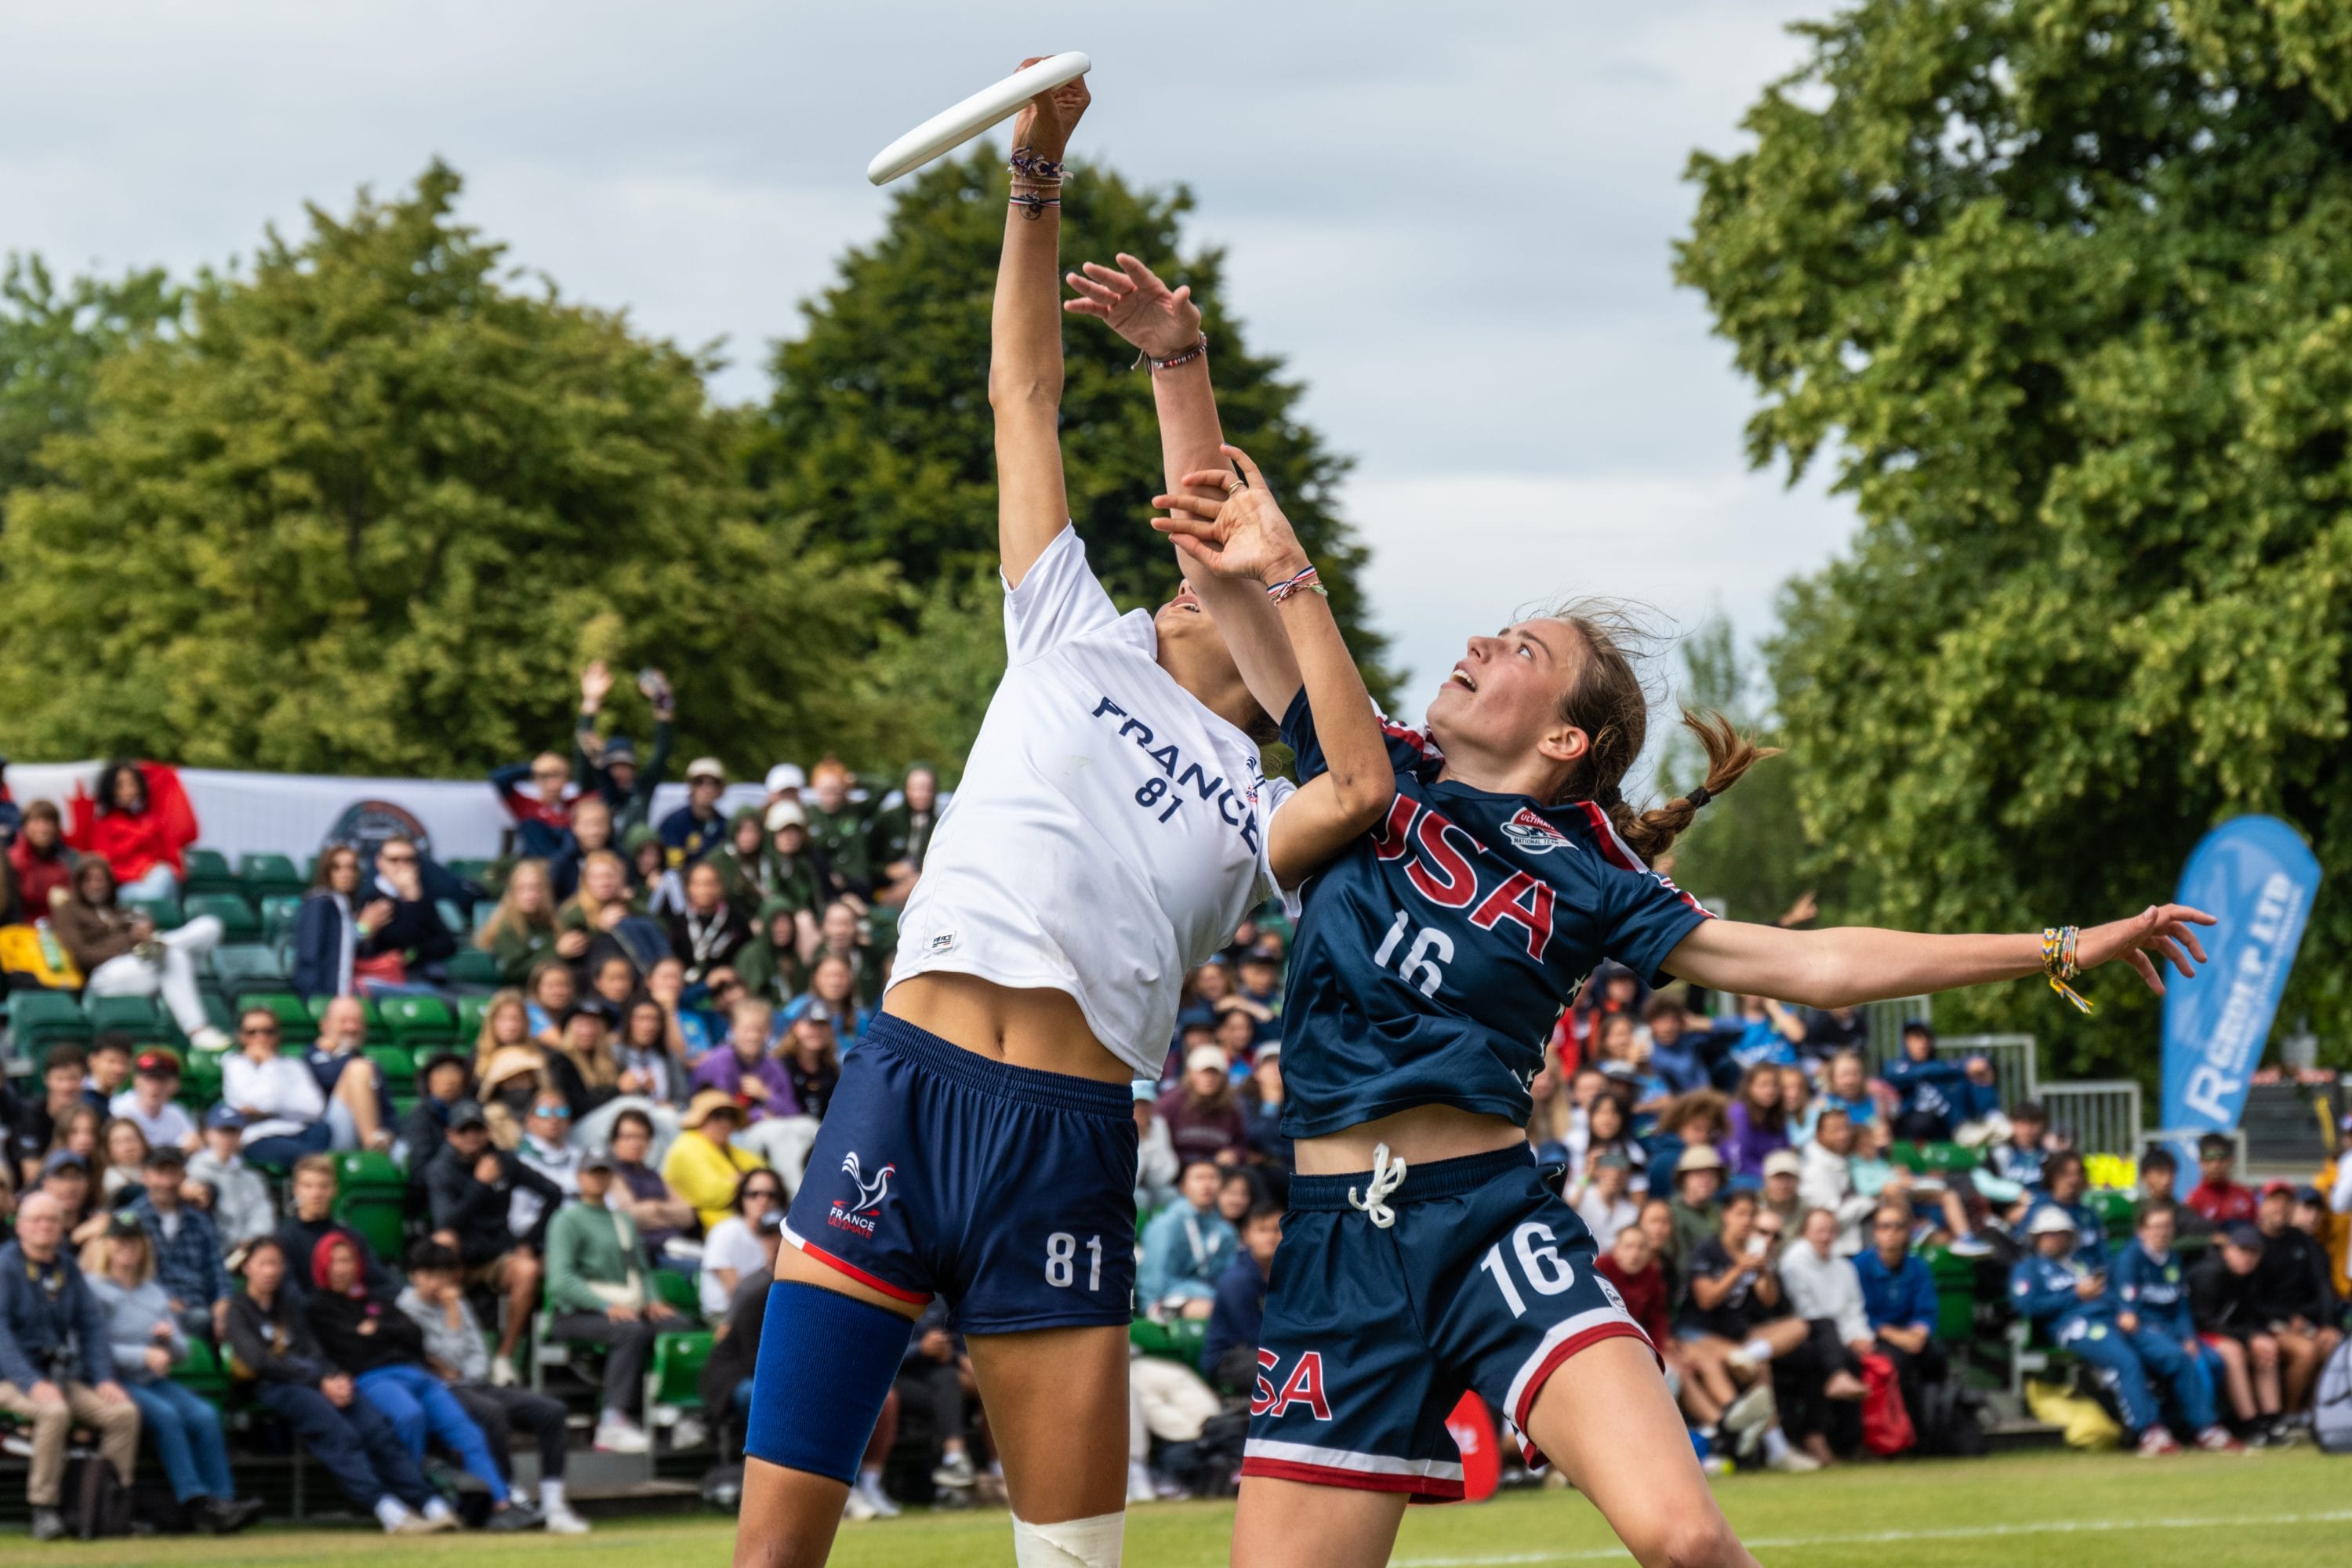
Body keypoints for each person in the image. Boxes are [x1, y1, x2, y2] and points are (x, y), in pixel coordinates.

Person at [1083, 274, 2229, 1568]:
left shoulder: (1597, 877)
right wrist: (1178, 364)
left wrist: (2063, 943)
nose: (1478, 640)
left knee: (1688, 1540)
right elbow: (1223, 556)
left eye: (1517, 646)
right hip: (1339, 1243)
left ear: (1565, 737)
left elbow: (1822, 965)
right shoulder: (1373, 765)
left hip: (1490, 1223)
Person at [733, 73, 1408, 1568]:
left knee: (1072, 1564)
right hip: (899, 1095)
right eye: (1183, 558)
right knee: (772, 1552)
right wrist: (1034, 188)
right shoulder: (1068, 629)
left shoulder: (1271, 800)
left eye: (1223, 574)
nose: (1191, 566)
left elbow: (1353, 764)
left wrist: (1217, 448)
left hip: (1061, 1142)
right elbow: (1022, 393)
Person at [304, 1232, 530, 1529]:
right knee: (409, 1416)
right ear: (321, 1265)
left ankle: (501, 1504)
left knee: (466, 1431)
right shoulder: (316, 1308)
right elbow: (352, 1348)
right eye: (333, 1262)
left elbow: (413, 1335)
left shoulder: (375, 1299)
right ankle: (415, 1501)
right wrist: (384, 1332)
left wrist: (376, 1330)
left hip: (414, 1372)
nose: (340, 1268)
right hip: (372, 1378)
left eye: (346, 1260)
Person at [227, 1238, 452, 1534]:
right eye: (263, 1264)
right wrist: (320, 1381)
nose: (270, 1271)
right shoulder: (238, 1309)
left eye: (276, 1263)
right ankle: (388, 1510)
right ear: (247, 1268)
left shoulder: (290, 1307)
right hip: (276, 1387)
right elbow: (260, 1363)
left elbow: (315, 1351)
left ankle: (430, 1503)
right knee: (340, 1433)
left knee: (376, 1429)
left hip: (317, 1381)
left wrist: (336, 1376)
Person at [84, 1218, 262, 1533]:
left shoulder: (153, 1292)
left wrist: (168, 1343)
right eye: (121, 1241)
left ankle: (223, 1500)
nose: (128, 1247)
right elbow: (92, 1347)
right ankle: (194, 1501)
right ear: (108, 1246)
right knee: (167, 1416)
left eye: (134, 1241)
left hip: (154, 1379)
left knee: (204, 1414)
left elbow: (182, 1349)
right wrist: (144, 1354)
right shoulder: (94, 1290)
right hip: (114, 1379)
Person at [2008, 1207, 2230, 1454]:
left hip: (2112, 1319)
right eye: (2049, 1234)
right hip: (2076, 1326)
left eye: (2061, 1233)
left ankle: (2205, 1428)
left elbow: (2112, 1292)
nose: (2055, 1238)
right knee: (2126, 1361)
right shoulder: (2029, 1269)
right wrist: (2074, 1296)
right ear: (2037, 1237)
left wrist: (2124, 1309)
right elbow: (2026, 1305)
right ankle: (2148, 1432)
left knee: (2176, 1355)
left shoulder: (2081, 1264)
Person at [397, 1240, 585, 1533]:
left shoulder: (457, 1303)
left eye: (443, 1274)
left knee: (552, 1411)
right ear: (413, 1276)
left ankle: (554, 1504)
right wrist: (452, 1316)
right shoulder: (406, 1310)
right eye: (428, 1274)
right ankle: (507, 1497)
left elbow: (477, 1355)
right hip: (439, 1393)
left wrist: (460, 1370)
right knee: (490, 1412)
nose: (437, 1282)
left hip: (471, 1383)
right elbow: (450, 1354)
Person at [0, 1192, 143, 1541]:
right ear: (20, 1227)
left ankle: (106, 1505)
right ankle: (44, 1508)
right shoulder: (5, 1267)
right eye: (36, 1220)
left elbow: (92, 1326)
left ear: (63, 1226)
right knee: (54, 1413)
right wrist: (31, 1382)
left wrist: (104, 1378)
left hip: (58, 1375)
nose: (45, 1227)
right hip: (10, 1378)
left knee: (123, 1414)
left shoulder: (68, 1268)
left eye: (52, 1220)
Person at [545, 1152, 678, 1453]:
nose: (598, 1178)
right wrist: (604, 1306)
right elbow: (561, 1280)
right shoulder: (566, 1220)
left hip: (626, 1306)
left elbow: (640, 1269)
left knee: (677, 1324)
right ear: (579, 1177)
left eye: (604, 1172)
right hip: (575, 1313)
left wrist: (653, 1300)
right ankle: (612, 1420)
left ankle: (675, 1415)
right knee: (630, 1331)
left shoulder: (622, 1219)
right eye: (592, 1172)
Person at [423, 1101, 556, 1385]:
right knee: (444, 1240)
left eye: (478, 1130)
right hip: (460, 1259)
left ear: (487, 1132)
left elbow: (553, 1193)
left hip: (496, 1254)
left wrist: (529, 1241)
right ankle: (450, 1356)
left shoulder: (504, 1161)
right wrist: (481, 1185)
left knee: (528, 1270)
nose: (472, 1137)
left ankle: (504, 1358)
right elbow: (447, 1223)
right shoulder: (441, 1169)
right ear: (451, 1135)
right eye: (464, 1131)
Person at [51, 858, 229, 1050]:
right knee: (171, 954)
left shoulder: (119, 910)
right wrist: (127, 944)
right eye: (90, 880)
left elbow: (142, 920)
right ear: (79, 883)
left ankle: (198, 1031)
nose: (96, 885)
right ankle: (198, 1030)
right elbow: (79, 954)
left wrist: (145, 930)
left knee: (208, 927)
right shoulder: (68, 911)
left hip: (141, 964)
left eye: (101, 880)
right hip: (104, 976)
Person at [2113, 1199, 2232, 1437]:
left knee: (2214, 1362)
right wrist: (2127, 1312)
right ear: (2141, 1231)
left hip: (2171, 1329)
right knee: (2177, 1358)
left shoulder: (2173, 1260)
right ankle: (2205, 1428)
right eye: (2156, 1227)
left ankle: (2178, 1421)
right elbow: (2128, 1312)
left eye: (2167, 1226)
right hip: (2144, 1330)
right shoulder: (2130, 1258)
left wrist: (2188, 1336)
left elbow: (2181, 1306)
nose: (2162, 1232)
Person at [1852, 1201, 1945, 1441]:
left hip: (1911, 1335)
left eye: (1897, 1226)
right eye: (1884, 1226)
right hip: (1876, 1336)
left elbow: (1926, 1310)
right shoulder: (1859, 1267)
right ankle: (1909, 1435)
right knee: (1897, 1362)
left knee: (1936, 1355)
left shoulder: (1918, 1267)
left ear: (1907, 1232)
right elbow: (1859, 1313)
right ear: (1875, 1233)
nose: (1891, 1232)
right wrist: (1896, 1336)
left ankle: (1938, 1423)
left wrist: (1919, 1333)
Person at [2250, 1180, 2342, 1419]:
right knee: (2306, 1352)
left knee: (2332, 1345)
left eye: (2286, 1201)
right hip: (2266, 1322)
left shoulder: (2303, 1241)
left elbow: (2323, 1286)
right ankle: (2290, 1414)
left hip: (2302, 1320)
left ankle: (2314, 1412)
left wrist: (2327, 1324)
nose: (2280, 1207)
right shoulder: (2251, 1242)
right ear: (2262, 1206)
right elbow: (2250, 1299)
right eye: (2274, 1201)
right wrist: (2287, 1318)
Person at [128, 1144, 230, 1342]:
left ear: (183, 1177)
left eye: (173, 1173)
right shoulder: (132, 1221)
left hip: (200, 1310)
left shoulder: (200, 1221)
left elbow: (218, 1273)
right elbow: (129, 1277)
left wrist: (222, 1306)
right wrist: (164, 1301)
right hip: (150, 1312)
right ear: (145, 1176)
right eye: (160, 1173)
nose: (166, 1182)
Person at [2189, 1221, 2282, 1436]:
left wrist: (2257, 1336)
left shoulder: (2252, 1277)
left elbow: (2250, 1317)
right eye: (2242, 1250)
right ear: (2227, 1251)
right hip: (2195, 1331)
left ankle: (2272, 1419)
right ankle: (2249, 1423)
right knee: (2234, 1352)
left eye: (2253, 1252)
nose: (2247, 1257)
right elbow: (2205, 1321)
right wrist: (2249, 1337)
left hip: (2226, 1331)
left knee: (2267, 1347)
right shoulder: (2209, 1273)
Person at [66, 761, 197, 902]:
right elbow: (104, 868)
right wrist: (140, 873)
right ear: (111, 789)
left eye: (133, 784)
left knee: (164, 876)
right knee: (150, 891)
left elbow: (173, 862)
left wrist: (162, 870)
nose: (128, 790)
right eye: (120, 785)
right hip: (124, 888)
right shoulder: (102, 826)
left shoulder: (154, 822)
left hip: (159, 882)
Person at [223, 1005, 335, 1166]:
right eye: (252, 1032)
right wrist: (269, 1063)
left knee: (323, 1129)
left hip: (301, 1131)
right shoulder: (235, 1065)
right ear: (241, 1036)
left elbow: (315, 1108)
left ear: (277, 1035)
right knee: (313, 1159)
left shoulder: (293, 1065)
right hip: (260, 1136)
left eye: (268, 1031)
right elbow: (263, 1103)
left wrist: (269, 1112)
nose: (261, 1038)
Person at [575, 660, 674, 837]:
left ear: (634, 769)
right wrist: (591, 701)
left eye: (625, 766)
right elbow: (584, 747)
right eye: (613, 766)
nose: (619, 772)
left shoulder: (642, 790)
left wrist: (663, 700)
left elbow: (662, 751)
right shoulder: (593, 787)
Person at [1138, 1160, 1240, 1319]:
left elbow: (1228, 1276)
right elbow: (1156, 1282)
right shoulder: (1166, 1225)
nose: (1206, 1184)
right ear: (1183, 1187)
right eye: (1199, 1178)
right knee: (1219, 1310)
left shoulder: (1225, 1230)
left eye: (1213, 1178)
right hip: (1164, 1301)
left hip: (1211, 1297)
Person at [1201, 1202, 1283, 1394]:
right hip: (1228, 1358)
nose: (1270, 1237)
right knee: (1284, 1369)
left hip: (1267, 1351)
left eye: (1276, 1230)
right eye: (1262, 1230)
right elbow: (1252, 1336)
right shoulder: (1236, 1280)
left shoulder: (1287, 1274)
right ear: (1247, 1235)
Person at [292, 844, 393, 1000]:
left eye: (352, 868)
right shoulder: (320, 903)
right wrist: (363, 929)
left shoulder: (347, 905)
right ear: (327, 872)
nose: (346, 874)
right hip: (325, 991)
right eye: (337, 868)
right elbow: (311, 954)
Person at [663, 1091, 765, 1234]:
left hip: (748, 1224)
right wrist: (745, 1182)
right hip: (710, 1231)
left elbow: (765, 1177)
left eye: (730, 1116)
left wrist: (739, 1181)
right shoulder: (685, 1146)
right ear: (700, 1118)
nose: (726, 1122)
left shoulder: (731, 1149)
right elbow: (712, 1193)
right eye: (717, 1115)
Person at [306, 995, 395, 1152]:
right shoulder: (311, 1056)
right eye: (344, 1021)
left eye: (357, 1022)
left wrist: (392, 1134)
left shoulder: (368, 1062)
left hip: (379, 1133)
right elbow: (327, 1078)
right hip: (327, 1135)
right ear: (325, 1025)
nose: (351, 1028)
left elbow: (386, 1109)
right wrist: (345, 1054)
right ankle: (372, 1142)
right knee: (358, 1069)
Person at [608, 1109, 696, 1261]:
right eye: (628, 1137)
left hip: (677, 1244)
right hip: (647, 1252)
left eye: (641, 1137)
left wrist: (656, 1208)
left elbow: (688, 1215)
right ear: (615, 1141)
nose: (635, 1144)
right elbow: (628, 1216)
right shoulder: (611, 1174)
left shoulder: (655, 1176)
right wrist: (667, 1211)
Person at [702, 1167, 791, 1318]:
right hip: (726, 1315)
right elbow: (737, 1294)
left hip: (766, 1310)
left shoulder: (783, 1234)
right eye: (753, 1194)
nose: (763, 1201)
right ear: (741, 1197)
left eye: (771, 1195)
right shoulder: (725, 1232)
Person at [187, 1105, 275, 1250]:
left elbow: (262, 1214)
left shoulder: (251, 1178)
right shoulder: (193, 1172)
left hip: (247, 1251)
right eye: (221, 1132)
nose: (227, 1138)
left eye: (232, 1132)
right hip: (210, 1250)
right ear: (208, 1133)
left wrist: (250, 1240)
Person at [1799, 1107, 1877, 1255]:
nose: (1843, 1135)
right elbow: (1831, 1220)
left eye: (1846, 1128)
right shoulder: (1815, 1170)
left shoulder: (1847, 1158)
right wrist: (1870, 1201)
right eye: (1835, 1130)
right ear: (1820, 1134)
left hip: (1860, 1243)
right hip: (1839, 1251)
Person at [1159, 1044, 1250, 1167]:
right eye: (1204, 1073)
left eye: (1215, 1074)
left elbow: (1241, 1145)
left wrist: (1234, 1154)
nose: (1209, 1079)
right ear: (1191, 1074)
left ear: (1223, 1077)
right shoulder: (1170, 1102)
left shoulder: (1232, 1107)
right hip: (1177, 1168)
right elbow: (1154, 1139)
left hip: (1218, 1169)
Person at [474, 859, 564, 985]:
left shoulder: (553, 923)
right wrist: (557, 952)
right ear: (512, 892)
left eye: (536, 888)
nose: (530, 895)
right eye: (523, 889)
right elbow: (514, 973)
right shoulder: (506, 928)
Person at [670, 859, 752, 986]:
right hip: (687, 989)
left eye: (710, 884)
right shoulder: (677, 923)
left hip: (727, 989)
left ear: (720, 887)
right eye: (697, 884)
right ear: (688, 888)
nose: (704, 890)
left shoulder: (737, 922)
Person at [490, 750, 576, 861]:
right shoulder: (525, 805)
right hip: (539, 866)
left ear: (566, 779)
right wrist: (533, 767)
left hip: (568, 867)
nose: (552, 783)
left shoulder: (576, 805)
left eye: (557, 776)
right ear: (536, 780)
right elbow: (499, 778)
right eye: (545, 777)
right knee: (531, 825)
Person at [109, 1047, 198, 1154]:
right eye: (148, 1079)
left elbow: (194, 1143)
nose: (154, 1086)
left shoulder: (176, 1113)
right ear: (136, 1081)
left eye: (161, 1080)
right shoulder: (121, 1108)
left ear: (173, 1085)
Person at [7, 799, 77, 913]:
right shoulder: (12, 859)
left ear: (57, 827)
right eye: (36, 822)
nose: (42, 829)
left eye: (48, 822)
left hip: (60, 922)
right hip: (22, 926)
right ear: (24, 826)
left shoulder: (69, 858)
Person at [659, 757, 731, 868]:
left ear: (721, 790)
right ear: (691, 787)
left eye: (714, 783)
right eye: (700, 782)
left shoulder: (726, 826)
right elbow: (671, 867)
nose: (707, 789)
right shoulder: (674, 823)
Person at [1570, 1147, 1642, 1252]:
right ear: (1598, 1170)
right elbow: (1569, 1206)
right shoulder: (1580, 1194)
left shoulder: (1630, 1211)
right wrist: (1588, 1174)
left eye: (1623, 1169)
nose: (1616, 1174)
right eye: (1610, 1167)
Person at [2186, 1133, 2259, 1225]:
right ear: (2201, 1163)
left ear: (2231, 1160)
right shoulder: (2194, 1201)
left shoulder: (2245, 1196)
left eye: (2221, 1159)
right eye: (2210, 1159)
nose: (2215, 1165)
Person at [1987, 1098, 2051, 1187]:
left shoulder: (2048, 1156)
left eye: (2033, 1123)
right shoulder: (1999, 1155)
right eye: (2022, 1123)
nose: (2028, 1130)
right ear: (2011, 1124)